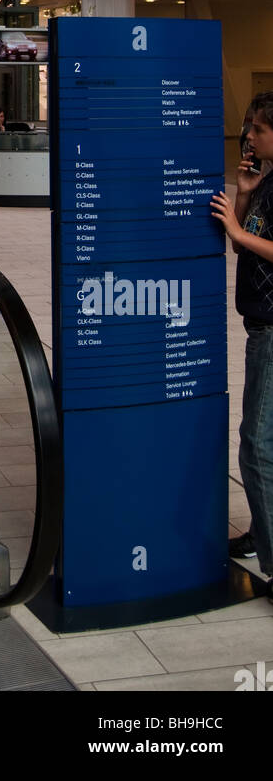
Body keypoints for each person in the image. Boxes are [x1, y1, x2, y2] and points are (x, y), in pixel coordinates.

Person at [210, 91, 273, 598]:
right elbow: (241, 243)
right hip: (260, 329)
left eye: (256, 129)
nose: (247, 136)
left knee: (255, 446)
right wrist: (246, 195)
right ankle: (261, 531)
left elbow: (246, 239)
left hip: (272, 334)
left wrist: (234, 223)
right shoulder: (268, 181)